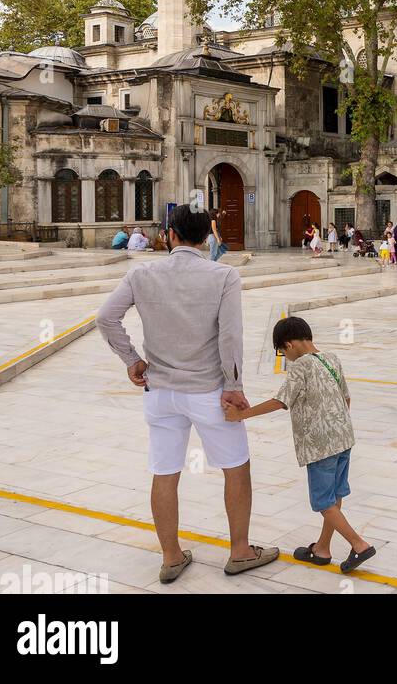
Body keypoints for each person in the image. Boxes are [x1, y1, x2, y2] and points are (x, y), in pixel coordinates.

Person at [96, 202, 277, 582]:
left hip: (160, 391)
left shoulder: (141, 274)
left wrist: (132, 359)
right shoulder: (223, 277)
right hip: (209, 391)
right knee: (235, 468)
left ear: (169, 235)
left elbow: (105, 317)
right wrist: (235, 387)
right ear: (207, 237)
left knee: (164, 472)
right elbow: (230, 336)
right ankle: (240, 551)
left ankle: (171, 556)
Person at [226, 316, 375, 575]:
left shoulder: (300, 366)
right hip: (344, 439)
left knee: (322, 502)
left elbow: (280, 401)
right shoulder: (332, 358)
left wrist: (240, 415)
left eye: (282, 352)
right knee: (335, 495)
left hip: (320, 446)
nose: (285, 357)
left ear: (289, 345)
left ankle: (359, 545)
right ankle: (322, 548)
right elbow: (346, 398)